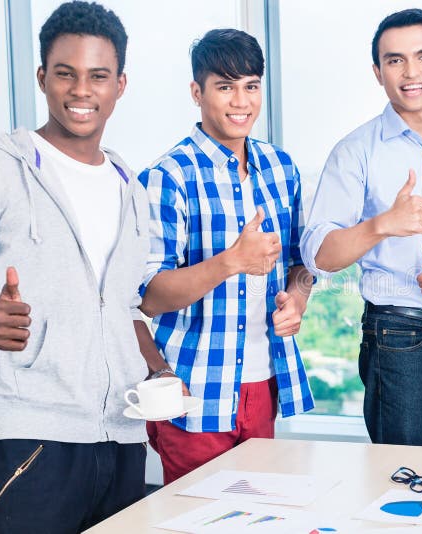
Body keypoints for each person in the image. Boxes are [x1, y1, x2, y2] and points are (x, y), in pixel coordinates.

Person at [300, 8, 422, 447]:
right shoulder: (355, 151)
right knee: (402, 477)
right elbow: (318, 255)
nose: (411, 72)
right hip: (397, 336)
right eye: (395, 60)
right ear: (378, 72)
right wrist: (384, 224)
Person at [0, 2, 154, 532]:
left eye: (98, 76)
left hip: (124, 439)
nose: (81, 90)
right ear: (42, 77)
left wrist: (155, 368)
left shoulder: (131, 188)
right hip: (30, 437)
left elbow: (124, 304)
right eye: (65, 73)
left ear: (121, 84)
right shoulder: (4, 166)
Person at [138, 28, 314, 484]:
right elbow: (150, 295)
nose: (241, 101)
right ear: (197, 93)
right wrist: (230, 261)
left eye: (251, 86)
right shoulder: (167, 177)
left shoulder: (282, 168)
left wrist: (297, 299)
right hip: (193, 387)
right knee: (197, 520)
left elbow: (301, 265)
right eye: (225, 87)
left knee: (261, 516)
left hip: (263, 383)